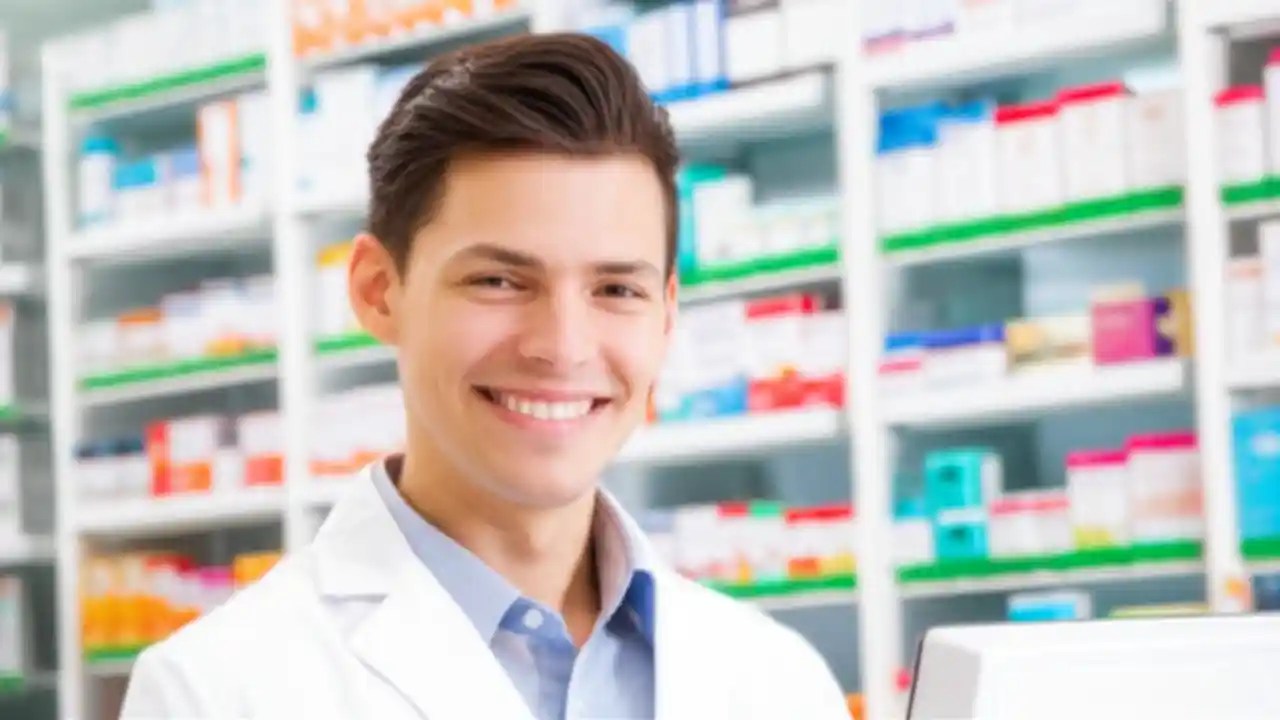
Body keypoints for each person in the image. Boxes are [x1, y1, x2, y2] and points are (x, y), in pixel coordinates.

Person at [120, 33, 848, 719]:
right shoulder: (213, 693)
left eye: (616, 290)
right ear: (379, 290)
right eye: (500, 280)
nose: (562, 347)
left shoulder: (777, 680)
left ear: (665, 314)